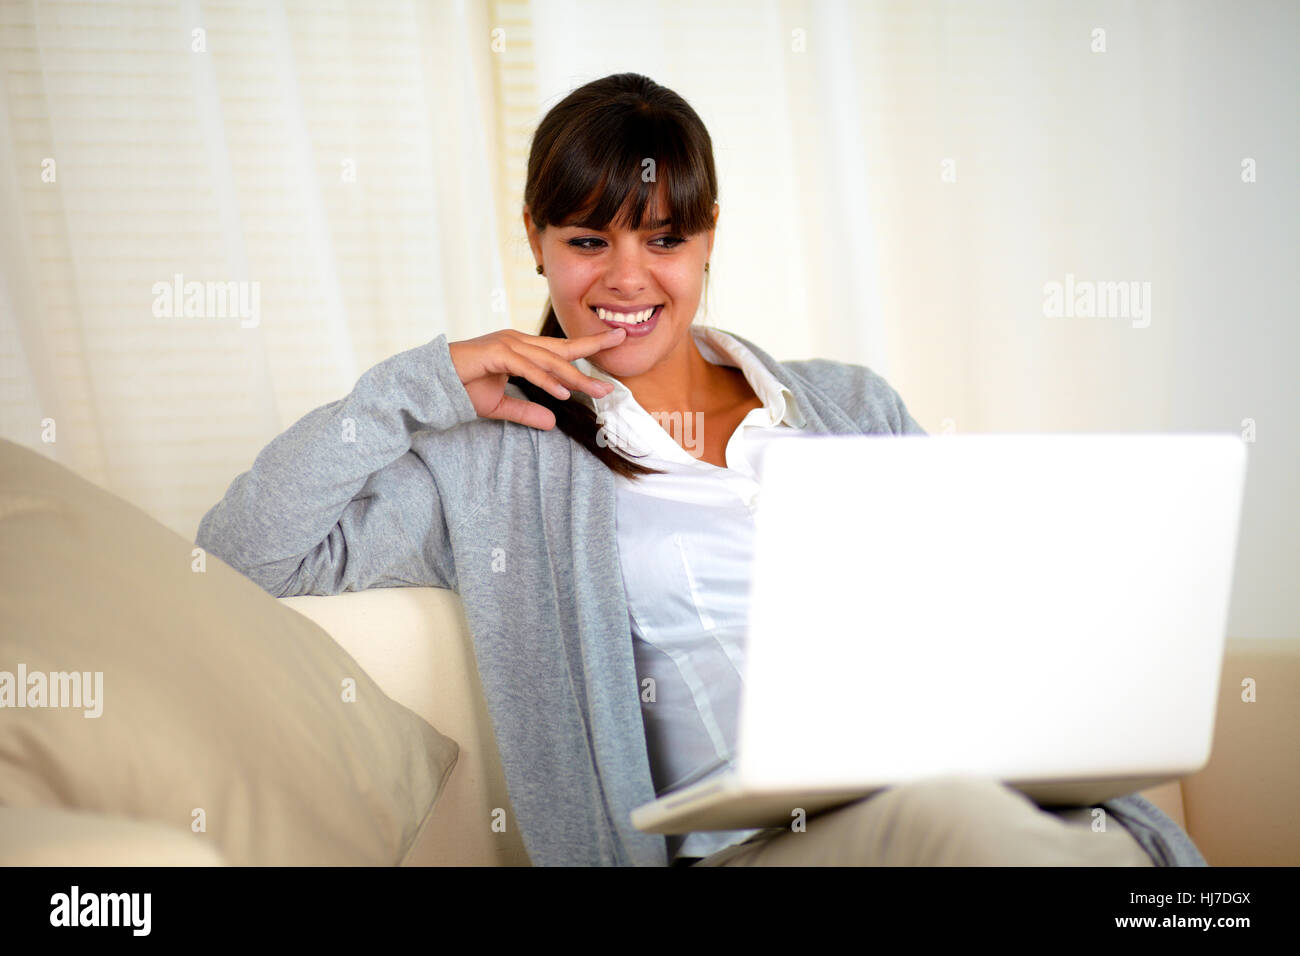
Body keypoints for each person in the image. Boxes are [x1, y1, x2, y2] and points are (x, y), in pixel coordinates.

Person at [196, 72, 1206, 867]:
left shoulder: (848, 406)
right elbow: (244, 555)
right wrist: (421, 382)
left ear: (709, 235)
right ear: (538, 246)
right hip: (758, 848)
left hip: (948, 800)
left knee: (1093, 845)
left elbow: (964, 625)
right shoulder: (496, 463)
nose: (626, 279)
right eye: (587, 240)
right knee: (963, 829)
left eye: (663, 239)